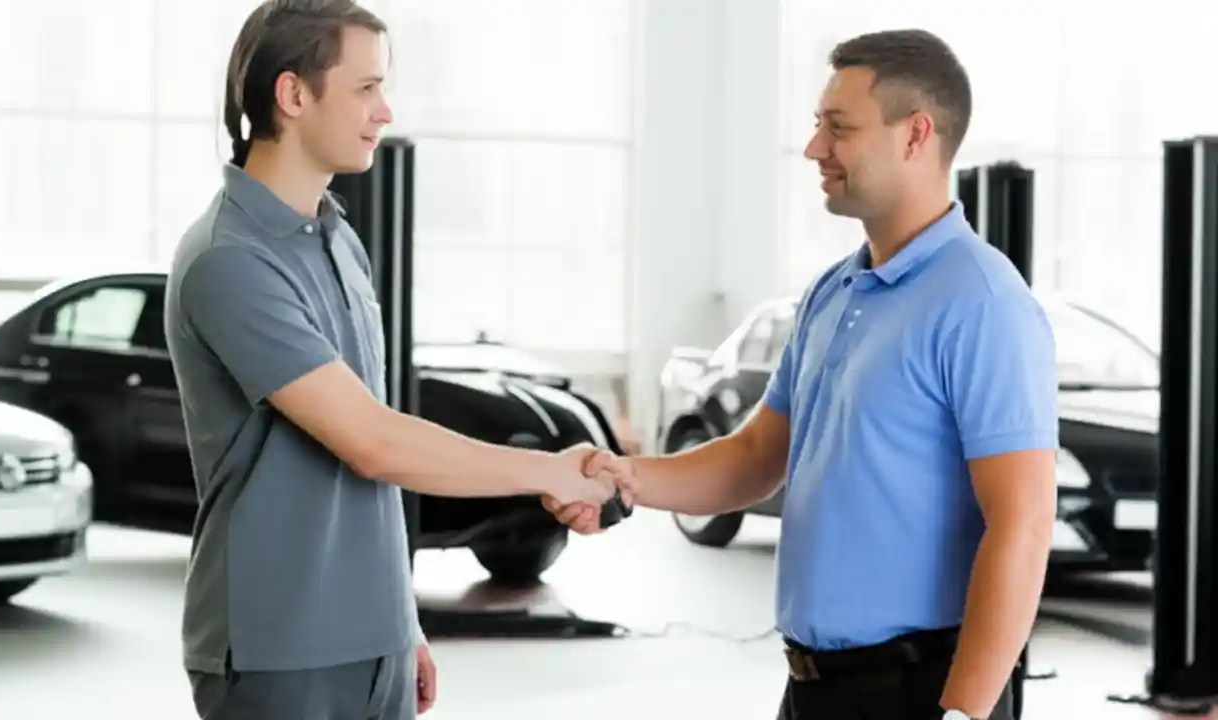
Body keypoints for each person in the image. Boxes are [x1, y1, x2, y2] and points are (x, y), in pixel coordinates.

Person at [549, 29, 1057, 720]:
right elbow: (758, 456)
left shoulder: (983, 302)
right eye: (818, 126)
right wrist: (628, 477)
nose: (816, 148)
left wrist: (964, 713)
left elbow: (1022, 522)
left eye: (838, 128)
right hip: (815, 689)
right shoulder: (834, 291)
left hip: (922, 693)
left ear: (915, 135)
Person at [163, 2, 613, 718]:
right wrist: (550, 472)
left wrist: (398, 623)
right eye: (366, 87)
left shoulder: (337, 237)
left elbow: (378, 456)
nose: (386, 110)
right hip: (279, 649)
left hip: (372, 640)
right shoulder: (230, 261)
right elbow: (372, 442)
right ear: (294, 94)